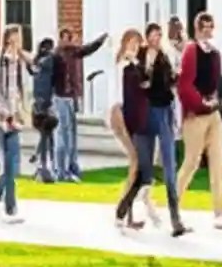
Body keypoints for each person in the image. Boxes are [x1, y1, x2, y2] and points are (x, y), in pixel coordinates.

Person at [176, 12, 222, 231]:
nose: (207, 31)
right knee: (191, 162)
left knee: (217, 164)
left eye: (210, 27)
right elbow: (185, 84)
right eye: (204, 27)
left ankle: (220, 213)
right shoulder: (191, 51)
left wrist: (217, 101)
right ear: (197, 29)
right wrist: (199, 104)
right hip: (196, 115)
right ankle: (174, 205)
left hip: (213, 114)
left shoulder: (215, 54)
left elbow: (219, 81)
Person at [142, 22, 189, 237]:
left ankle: (175, 218)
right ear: (147, 36)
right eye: (153, 34)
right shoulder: (142, 56)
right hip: (148, 112)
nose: (157, 38)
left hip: (165, 111)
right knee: (143, 166)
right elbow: (140, 82)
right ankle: (128, 210)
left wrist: (178, 74)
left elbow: (170, 81)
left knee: (170, 165)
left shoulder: (164, 56)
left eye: (159, 35)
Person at [52, 26, 108, 182]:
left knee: (71, 135)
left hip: (71, 97)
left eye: (69, 38)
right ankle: (62, 169)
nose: (67, 41)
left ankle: (71, 167)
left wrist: (101, 40)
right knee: (63, 134)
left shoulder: (74, 52)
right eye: (65, 38)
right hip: (60, 97)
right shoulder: (57, 55)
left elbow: (89, 48)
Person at [0, 24, 30, 224]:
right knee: (4, 166)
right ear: (6, 40)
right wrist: (5, 115)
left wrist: (21, 113)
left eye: (19, 39)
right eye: (14, 39)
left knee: (12, 167)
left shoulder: (19, 66)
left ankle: (9, 206)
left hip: (14, 121)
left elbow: (20, 93)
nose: (17, 43)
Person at [115, 27, 158, 230]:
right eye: (130, 42)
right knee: (135, 163)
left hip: (139, 117)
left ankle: (127, 212)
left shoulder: (138, 66)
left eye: (137, 43)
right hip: (124, 116)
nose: (134, 47)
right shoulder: (123, 65)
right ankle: (124, 212)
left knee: (137, 166)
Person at [30, 38, 59, 182]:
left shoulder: (37, 64)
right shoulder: (48, 61)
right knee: (47, 135)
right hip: (45, 103)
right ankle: (46, 166)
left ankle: (42, 163)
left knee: (46, 135)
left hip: (38, 103)